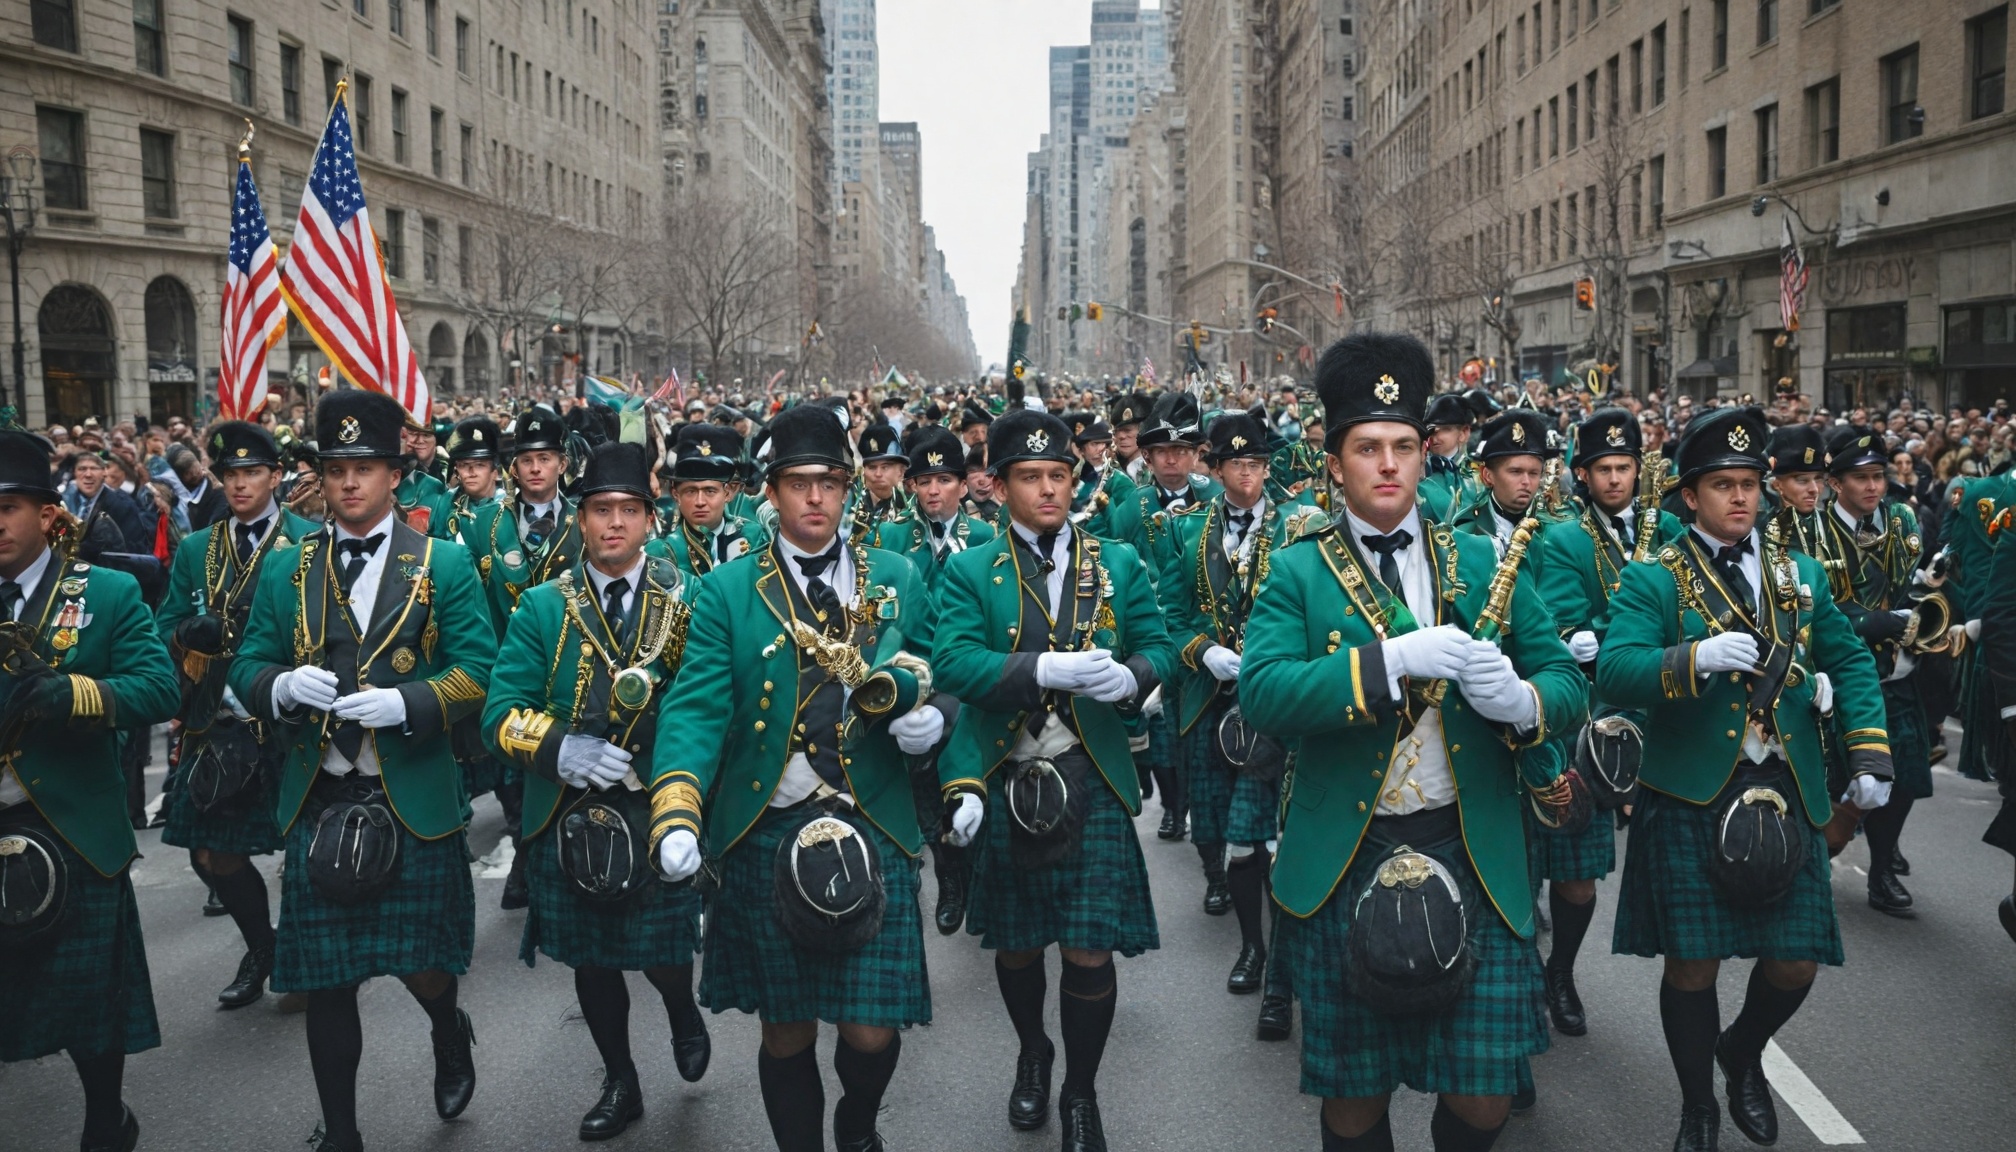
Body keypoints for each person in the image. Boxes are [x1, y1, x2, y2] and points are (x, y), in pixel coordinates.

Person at [1239, 332, 1586, 1152]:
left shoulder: (1474, 559)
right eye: (1367, 448)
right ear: (1334, 463)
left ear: (1426, 455)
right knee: (1355, 1101)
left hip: (1469, 841)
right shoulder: (1297, 570)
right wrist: (1385, 663)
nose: (1387, 464)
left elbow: (1569, 684)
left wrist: (1526, 700)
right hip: (1345, 850)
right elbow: (1264, 692)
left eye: (1402, 445)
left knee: (1484, 1093)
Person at [649, 403, 945, 1152]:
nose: (816, 497)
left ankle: (856, 1121)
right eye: (798, 482)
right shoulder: (727, 589)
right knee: (785, 1029)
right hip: (764, 820)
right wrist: (678, 812)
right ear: (770, 493)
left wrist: (932, 719)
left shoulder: (900, 576)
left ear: (847, 490)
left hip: (871, 816)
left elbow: (943, 667)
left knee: (872, 1030)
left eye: (830, 482)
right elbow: (695, 711)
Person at [1598, 405, 1893, 1152]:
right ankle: (1698, 1106)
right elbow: (1616, 670)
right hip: (1693, 789)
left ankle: (1744, 1050)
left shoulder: (1801, 575)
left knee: (1796, 959)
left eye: (1751, 484)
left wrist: (1867, 751)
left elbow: (1851, 659)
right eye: (1724, 485)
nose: (1742, 498)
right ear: (1689, 496)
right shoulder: (1653, 578)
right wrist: (1693, 659)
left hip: (1784, 786)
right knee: (1692, 964)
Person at [228, 389, 497, 1151]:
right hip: (322, 792)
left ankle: (448, 1027)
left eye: (366, 467)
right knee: (326, 980)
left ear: (394, 474)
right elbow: (246, 661)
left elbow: (480, 667)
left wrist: (411, 701)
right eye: (337, 467)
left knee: (422, 967)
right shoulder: (288, 568)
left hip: (407, 788)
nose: (350, 482)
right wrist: (276, 687)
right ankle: (342, 1130)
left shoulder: (440, 563)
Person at [930, 407, 1172, 1152]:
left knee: (1089, 948)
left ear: (1075, 481)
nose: (1047, 489)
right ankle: (1032, 1051)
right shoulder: (972, 568)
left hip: (1090, 772)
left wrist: (1130, 679)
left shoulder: (1118, 562)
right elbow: (954, 664)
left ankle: (1080, 1092)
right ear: (998, 487)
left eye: (1058, 475)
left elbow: (1158, 644)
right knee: (1017, 946)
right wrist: (1041, 669)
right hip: (1009, 774)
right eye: (1029, 477)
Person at [484, 442, 711, 1141]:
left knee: (664, 953)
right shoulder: (543, 608)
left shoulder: (687, 595)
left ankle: (681, 1008)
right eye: (600, 511)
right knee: (592, 960)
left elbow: (708, 698)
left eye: (628, 511)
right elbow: (499, 712)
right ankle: (620, 1078)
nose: (614, 523)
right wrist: (562, 750)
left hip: (658, 800)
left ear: (651, 519)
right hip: (574, 808)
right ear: (581, 520)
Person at [0, 428, 180, 1152]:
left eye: (8, 507)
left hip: (70, 828)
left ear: (48, 515)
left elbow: (155, 685)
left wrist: (68, 694)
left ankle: (106, 1114)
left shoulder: (103, 592)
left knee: (89, 1008)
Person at [1159, 409, 1322, 1040]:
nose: (1246, 474)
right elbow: (1172, 618)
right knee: (1235, 837)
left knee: (1275, 837)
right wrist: (1205, 651)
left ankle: (1283, 972)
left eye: (1255, 463)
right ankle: (1253, 947)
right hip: (1213, 702)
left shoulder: (1301, 527)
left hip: (1279, 705)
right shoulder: (1187, 533)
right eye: (1234, 465)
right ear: (1215, 467)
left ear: (1266, 467)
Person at [1527, 407, 1685, 1039]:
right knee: (1568, 864)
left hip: (1659, 709)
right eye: (1603, 469)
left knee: (1589, 878)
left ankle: (1560, 970)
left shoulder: (1671, 528)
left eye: (1624, 467)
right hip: (1584, 721)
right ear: (1582, 475)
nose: (1615, 479)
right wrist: (1580, 637)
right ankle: (1547, 975)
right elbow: (1563, 617)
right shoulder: (1562, 537)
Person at [156, 421, 320, 1008]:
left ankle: (304, 964)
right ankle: (265, 947)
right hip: (218, 722)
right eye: (231, 474)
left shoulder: (309, 539)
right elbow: (163, 624)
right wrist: (184, 633)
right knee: (212, 854)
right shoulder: (199, 545)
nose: (241, 483)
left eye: (253, 472)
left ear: (276, 477)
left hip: (287, 718)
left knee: (304, 851)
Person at [873, 423, 997, 935]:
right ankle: (950, 882)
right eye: (923, 480)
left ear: (963, 487)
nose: (932, 490)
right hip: (917, 677)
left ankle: (980, 879)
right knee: (924, 785)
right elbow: (886, 618)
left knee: (971, 781)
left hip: (969, 675)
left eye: (943, 480)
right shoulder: (892, 539)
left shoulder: (986, 536)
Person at [1812, 426, 1929, 916]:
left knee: (1904, 776)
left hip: (1901, 672)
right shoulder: (1813, 529)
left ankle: (1881, 871)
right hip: (1841, 674)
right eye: (1860, 477)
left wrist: (1928, 604)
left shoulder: (1903, 519)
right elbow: (1821, 609)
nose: (1873, 487)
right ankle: (1811, 862)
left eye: (1878, 476)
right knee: (1833, 775)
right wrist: (1876, 622)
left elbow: (1921, 581)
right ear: (1835, 483)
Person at [1106, 391, 1219, 846]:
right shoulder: (1132, 507)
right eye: (1163, 453)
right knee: (1163, 723)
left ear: (1195, 455)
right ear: (1147, 458)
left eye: (1182, 451)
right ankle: (1174, 808)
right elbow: (1117, 563)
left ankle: (1200, 803)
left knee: (1200, 721)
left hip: (1205, 622)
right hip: (1154, 625)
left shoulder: (1214, 494)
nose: (1173, 461)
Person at [428, 415, 530, 906]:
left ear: (495, 469)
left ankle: (522, 848)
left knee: (504, 751)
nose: (469, 474)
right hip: (454, 648)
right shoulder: (446, 511)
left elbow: (515, 586)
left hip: (500, 645)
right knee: (456, 749)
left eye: (478, 465)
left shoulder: (506, 516)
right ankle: (452, 836)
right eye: (462, 466)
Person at [655, 423, 768, 579]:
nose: (700, 501)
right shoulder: (663, 550)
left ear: (728, 493)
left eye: (710, 491)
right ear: (676, 494)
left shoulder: (754, 536)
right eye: (690, 491)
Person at [1450, 409, 1565, 556]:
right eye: (1515, 472)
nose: (1526, 482)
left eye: (1534, 473)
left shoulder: (1556, 528)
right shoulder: (1466, 531)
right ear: (1487, 476)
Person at [504, 406, 583, 597]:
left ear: (562, 465)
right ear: (515, 469)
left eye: (544, 459)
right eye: (526, 461)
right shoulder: (492, 520)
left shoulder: (582, 521)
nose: (535, 469)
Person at [1416, 392, 1480, 522]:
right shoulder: (1420, 471)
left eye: (1445, 429)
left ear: (1464, 433)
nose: (1435, 437)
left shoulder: (1479, 474)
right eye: (1431, 430)